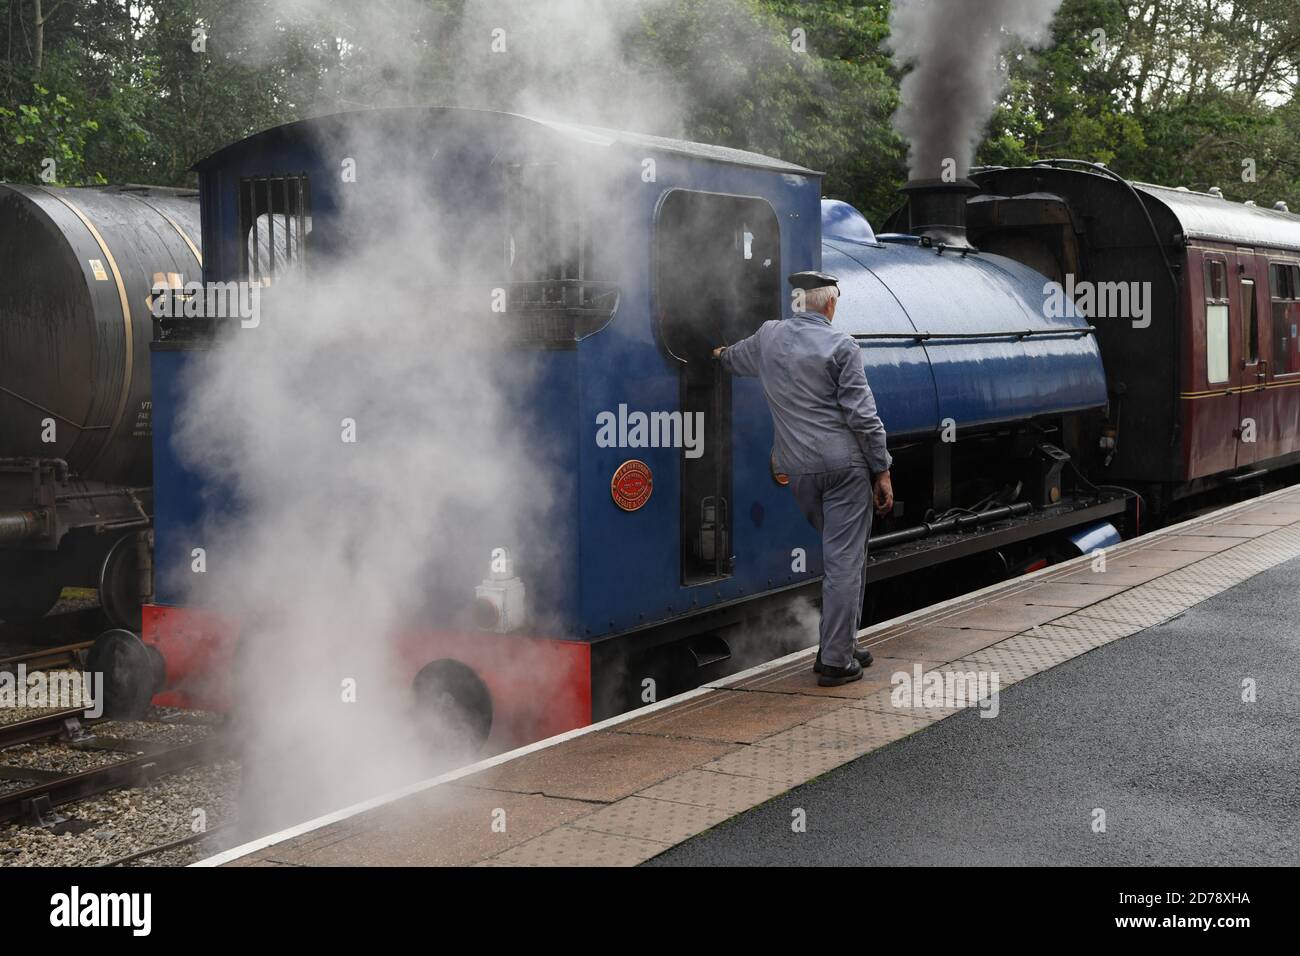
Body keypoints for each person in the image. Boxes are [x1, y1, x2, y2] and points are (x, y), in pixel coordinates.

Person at [713, 271, 893, 686]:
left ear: (798, 302)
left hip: (798, 472)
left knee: (840, 558)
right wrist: (881, 469)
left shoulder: (768, 337)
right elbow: (863, 417)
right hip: (844, 468)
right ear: (830, 304)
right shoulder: (842, 345)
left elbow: (732, 358)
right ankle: (834, 660)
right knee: (845, 561)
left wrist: (717, 352)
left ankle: (843, 642)